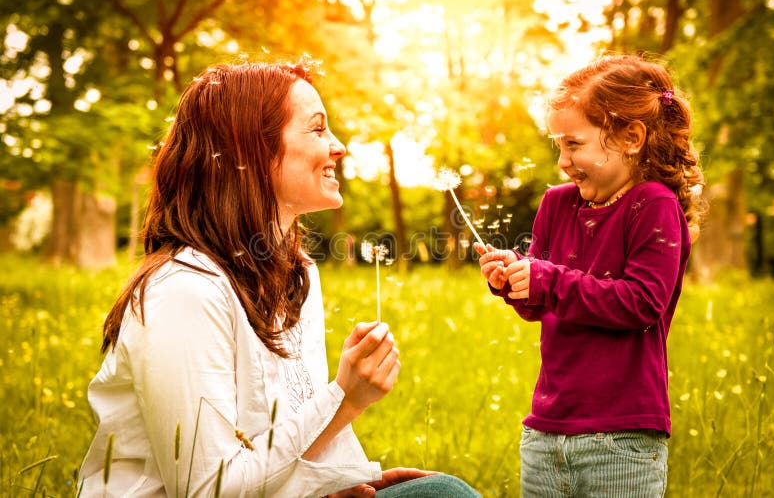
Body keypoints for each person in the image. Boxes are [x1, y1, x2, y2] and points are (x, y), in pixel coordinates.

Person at [79, 60, 481, 498]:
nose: (339, 147)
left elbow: (274, 440)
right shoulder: (184, 291)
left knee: (439, 492)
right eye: (317, 129)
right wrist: (344, 399)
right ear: (252, 150)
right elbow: (207, 491)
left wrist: (339, 482)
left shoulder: (296, 274)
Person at [475, 54, 704, 497]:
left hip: (620, 439)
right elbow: (540, 304)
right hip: (545, 431)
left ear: (631, 137)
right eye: (557, 145)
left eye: (574, 144)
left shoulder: (653, 205)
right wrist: (513, 280)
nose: (562, 160)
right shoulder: (557, 205)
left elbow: (641, 303)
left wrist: (546, 279)